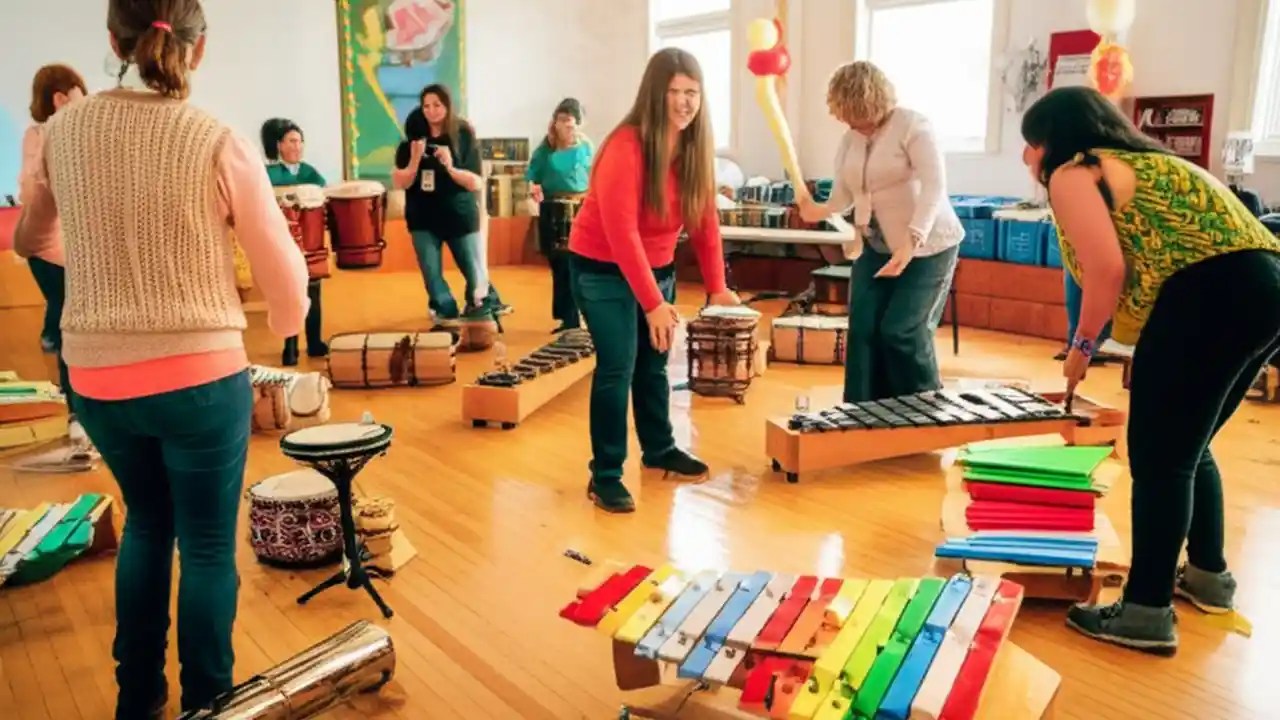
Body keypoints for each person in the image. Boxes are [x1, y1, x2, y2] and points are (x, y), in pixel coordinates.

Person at [13, 0, 310, 714]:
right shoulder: (214, 137)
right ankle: (209, 703)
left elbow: (30, 239)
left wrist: (92, 262)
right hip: (202, 376)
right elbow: (287, 278)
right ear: (198, 50)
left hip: (98, 377)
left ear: (111, 40)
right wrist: (288, 324)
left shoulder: (60, 132)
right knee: (207, 548)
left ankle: (136, 699)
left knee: (147, 524)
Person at [1021, 86, 1280, 655]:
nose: (1027, 158)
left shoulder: (1074, 171)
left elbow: (1105, 271)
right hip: (1267, 287)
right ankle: (1209, 578)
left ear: (1053, 140)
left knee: (1159, 458)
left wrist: (1080, 349)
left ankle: (1145, 611)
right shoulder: (1151, 161)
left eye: (1031, 143)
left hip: (1207, 294)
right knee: (1191, 445)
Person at [567, 48, 739, 513]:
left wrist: (717, 285)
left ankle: (659, 451)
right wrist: (652, 304)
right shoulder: (626, 145)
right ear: (654, 95)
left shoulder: (694, 146)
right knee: (618, 365)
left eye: (693, 93)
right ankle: (604, 475)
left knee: (654, 365)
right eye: (675, 92)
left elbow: (704, 221)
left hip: (655, 270)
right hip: (602, 268)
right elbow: (622, 234)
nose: (685, 102)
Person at [796, 61, 963, 403]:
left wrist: (911, 241)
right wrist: (816, 208)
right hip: (875, 247)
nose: (849, 123)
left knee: (902, 331)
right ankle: (863, 411)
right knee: (863, 330)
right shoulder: (851, 138)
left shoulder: (913, 126)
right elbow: (843, 193)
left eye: (855, 115)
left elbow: (934, 186)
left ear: (872, 104)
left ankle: (923, 410)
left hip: (928, 246)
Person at [391, 85, 508, 326]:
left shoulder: (463, 137)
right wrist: (414, 161)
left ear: (447, 106)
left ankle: (481, 307)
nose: (432, 111)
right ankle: (445, 313)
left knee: (474, 272)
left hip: (460, 216)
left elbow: (475, 182)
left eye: (437, 105)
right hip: (422, 219)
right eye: (426, 106)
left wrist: (451, 167)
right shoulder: (411, 142)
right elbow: (401, 181)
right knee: (431, 273)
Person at [18, 63, 88, 440]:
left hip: (65, 249)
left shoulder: (61, 134)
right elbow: (33, 194)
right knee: (69, 325)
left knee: (71, 324)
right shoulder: (45, 135)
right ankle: (76, 410)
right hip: (52, 250)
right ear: (61, 98)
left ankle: (82, 404)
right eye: (80, 95)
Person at [260, 117, 328, 365]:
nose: (297, 146)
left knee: (314, 291)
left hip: (310, 242)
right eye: (291, 141)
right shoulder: (269, 174)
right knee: (289, 292)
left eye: (300, 141)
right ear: (279, 145)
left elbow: (322, 195)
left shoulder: (311, 172)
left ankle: (315, 343)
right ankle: (290, 347)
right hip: (284, 241)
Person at [528, 97, 593, 332]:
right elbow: (532, 173)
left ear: (578, 123)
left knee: (575, 265)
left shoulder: (586, 147)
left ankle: (578, 316)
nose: (566, 125)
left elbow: (594, 175)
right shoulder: (547, 147)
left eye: (571, 120)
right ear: (555, 122)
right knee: (558, 265)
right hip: (552, 209)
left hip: (579, 207)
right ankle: (567, 317)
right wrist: (533, 186)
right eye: (562, 119)